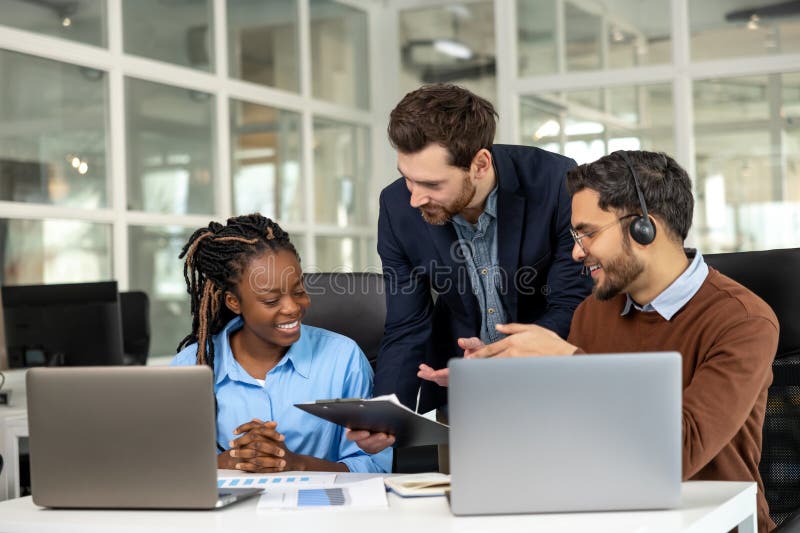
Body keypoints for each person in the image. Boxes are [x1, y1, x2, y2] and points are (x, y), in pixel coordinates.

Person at [467, 150, 777, 532]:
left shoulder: (743, 321)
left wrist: (570, 362)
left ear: (644, 228)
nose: (577, 252)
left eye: (589, 233)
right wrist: (500, 381)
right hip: (611, 519)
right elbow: (573, 437)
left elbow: (676, 455)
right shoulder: (592, 312)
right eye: (575, 236)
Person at [349, 84, 591, 453]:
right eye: (407, 177)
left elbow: (572, 303)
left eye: (432, 184)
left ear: (480, 164)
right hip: (464, 395)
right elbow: (407, 324)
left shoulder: (556, 182)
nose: (415, 197)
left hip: (554, 386)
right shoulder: (396, 206)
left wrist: (502, 356)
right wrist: (386, 412)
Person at [171, 214, 391, 474]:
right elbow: (169, 465)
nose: (292, 308)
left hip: (322, 501)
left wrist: (296, 464)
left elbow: (376, 466)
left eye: (299, 291)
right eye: (271, 300)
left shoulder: (343, 358)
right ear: (234, 302)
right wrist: (227, 462)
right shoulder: (191, 366)